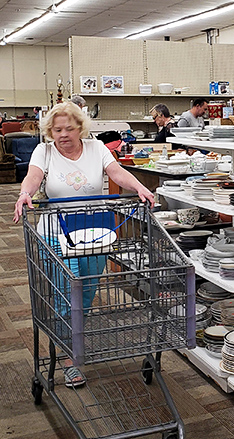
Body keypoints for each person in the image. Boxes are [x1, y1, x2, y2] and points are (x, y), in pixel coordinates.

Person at [13, 102, 155, 388]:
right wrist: (24, 193)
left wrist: (139, 187)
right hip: (57, 233)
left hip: (95, 234)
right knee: (69, 294)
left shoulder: (97, 148)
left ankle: (68, 338)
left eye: (68, 128)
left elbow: (116, 173)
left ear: (80, 128)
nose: (62, 135)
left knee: (87, 293)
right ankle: (69, 357)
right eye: (56, 129)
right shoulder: (45, 151)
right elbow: (34, 176)